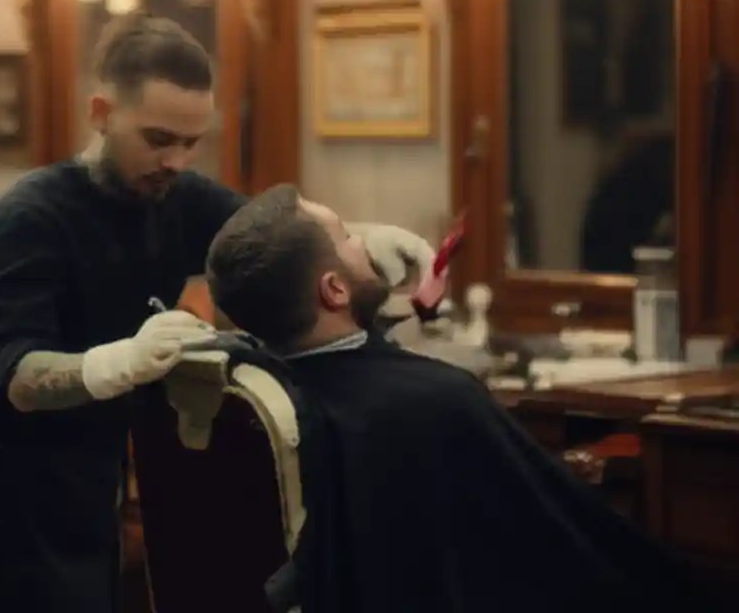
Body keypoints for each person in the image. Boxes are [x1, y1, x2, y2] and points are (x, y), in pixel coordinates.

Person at [0, 14, 438, 612]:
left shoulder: (176, 198)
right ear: (101, 113)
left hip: (93, 492)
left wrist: (363, 241)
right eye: (158, 138)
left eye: (190, 143)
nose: (175, 160)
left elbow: (277, 240)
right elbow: (22, 380)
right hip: (1, 507)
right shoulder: (29, 221)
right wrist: (120, 361)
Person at [204, 184, 718, 613]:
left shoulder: (259, 386)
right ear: (334, 290)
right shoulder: (435, 400)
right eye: (349, 237)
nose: (365, 242)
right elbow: (553, 544)